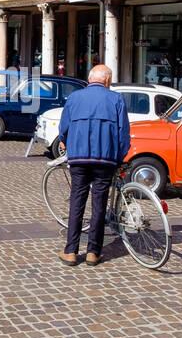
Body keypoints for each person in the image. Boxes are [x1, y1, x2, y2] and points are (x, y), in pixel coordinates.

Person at [56, 64, 131, 267]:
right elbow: (123, 134)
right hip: (105, 160)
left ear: (90, 79)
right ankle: (93, 252)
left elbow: (63, 129)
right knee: (99, 205)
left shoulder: (74, 98)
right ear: (107, 81)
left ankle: (71, 251)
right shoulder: (115, 99)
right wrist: (119, 158)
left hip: (79, 159)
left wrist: (66, 143)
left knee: (77, 201)